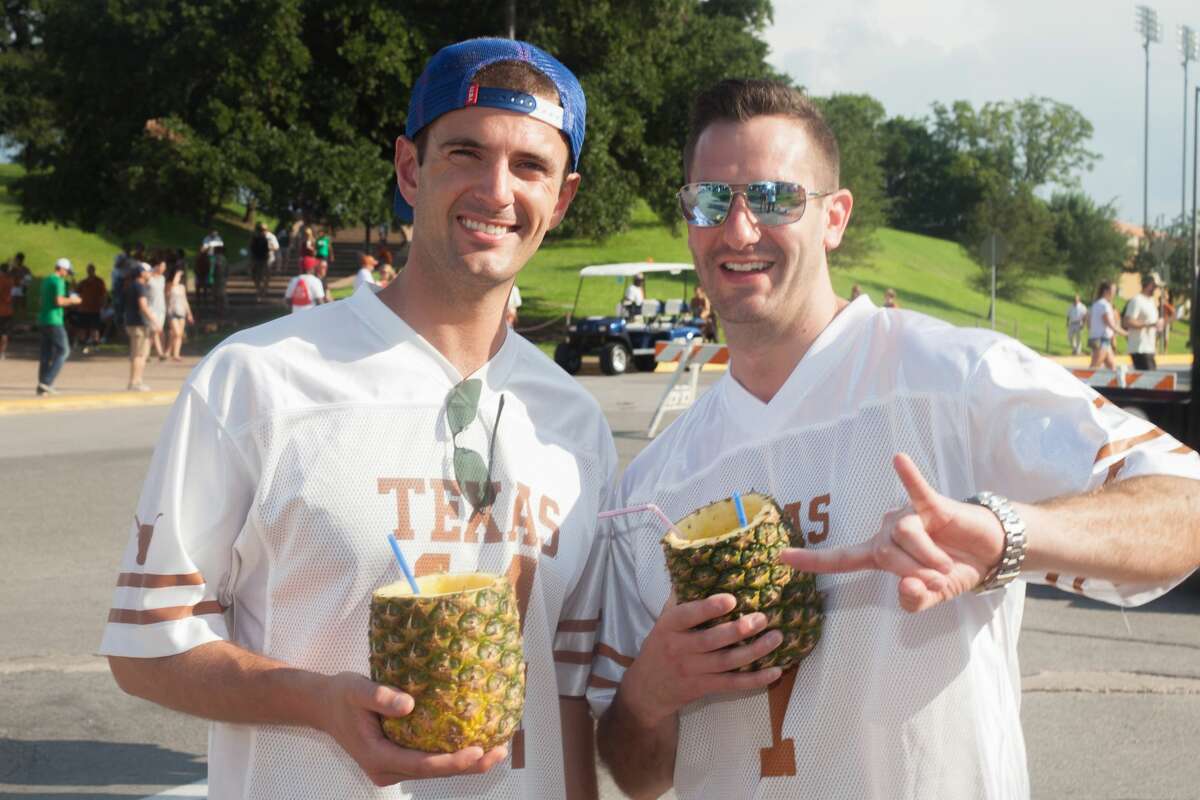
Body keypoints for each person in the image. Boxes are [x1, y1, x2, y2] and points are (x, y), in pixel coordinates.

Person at [589, 78, 1200, 800]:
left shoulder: (954, 377)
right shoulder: (651, 486)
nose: (740, 230)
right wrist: (649, 695)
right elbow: (638, 773)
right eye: (712, 201)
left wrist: (1007, 533)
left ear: (834, 217)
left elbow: (1184, 505)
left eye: (776, 198)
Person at [102, 39, 612, 799]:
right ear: (411, 169)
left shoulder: (574, 423)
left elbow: (564, 697)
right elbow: (147, 642)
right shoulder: (261, 378)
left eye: (530, 166)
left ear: (562, 199)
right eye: (465, 154)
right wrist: (314, 701)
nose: (496, 190)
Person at [36, 257, 82, 395]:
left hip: (43, 319)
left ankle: (41, 385)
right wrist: (74, 301)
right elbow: (59, 301)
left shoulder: (46, 280)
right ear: (61, 269)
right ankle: (47, 382)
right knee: (64, 351)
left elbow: (40, 300)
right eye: (67, 271)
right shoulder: (58, 281)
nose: (67, 274)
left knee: (46, 353)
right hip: (54, 320)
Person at [124, 262, 159, 391]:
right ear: (141, 273)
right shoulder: (140, 287)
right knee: (139, 354)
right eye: (148, 271)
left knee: (140, 354)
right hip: (139, 324)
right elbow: (143, 306)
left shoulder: (133, 286)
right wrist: (154, 320)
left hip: (133, 323)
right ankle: (134, 382)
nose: (150, 274)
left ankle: (137, 380)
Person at [1123, 274, 1163, 371]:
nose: (1157, 289)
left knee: (1150, 381)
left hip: (1149, 347)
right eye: (1155, 286)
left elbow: (1152, 323)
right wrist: (1150, 325)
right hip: (1140, 348)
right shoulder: (1136, 300)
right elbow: (1127, 321)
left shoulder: (1150, 301)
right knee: (1150, 381)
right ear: (1149, 285)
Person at [1088, 280, 1126, 369]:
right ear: (1105, 291)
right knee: (1093, 368)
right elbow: (1110, 324)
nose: (1114, 294)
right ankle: (1080, 383)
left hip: (1100, 339)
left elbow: (1089, 322)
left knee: (1112, 368)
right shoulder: (1104, 305)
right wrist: (1125, 333)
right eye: (1113, 291)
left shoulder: (1096, 304)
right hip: (1102, 340)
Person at [75, 263, 108, 354]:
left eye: (91, 269)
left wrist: (104, 304)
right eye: (88, 270)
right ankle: (82, 345)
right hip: (83, 308)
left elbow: (104, 294)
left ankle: (95, 345)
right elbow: (76, 291)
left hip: (95, 309)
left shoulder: (99, 281)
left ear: (94, 270)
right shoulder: (83, 282)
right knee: (83, 328)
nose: (90, 271)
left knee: (95, 329)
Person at [165, 265, 194, 362]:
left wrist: (189, 313)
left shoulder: (182, 287)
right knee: (176, 333)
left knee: (179, 334)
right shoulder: (169, 285)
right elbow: (171, 288)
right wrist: (177, 274)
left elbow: (184, 300)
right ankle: (169, 351)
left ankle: (175, 354)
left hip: (181, 311)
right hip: (172, 311)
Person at [146, 258, 168, 361]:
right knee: (155, 330)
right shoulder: (149, 278)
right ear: (157, 266)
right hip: (151, 308)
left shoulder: (163, 278)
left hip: (161, 308)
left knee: (153, 332)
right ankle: (160, 353)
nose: (164, 268)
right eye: (162, 266)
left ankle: (146, 353)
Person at [249, 222, 272, 302]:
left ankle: (260, 293)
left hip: (263, 261)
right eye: (261, 230)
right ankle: (260, 291)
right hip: (256, 260)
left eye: (264, 230)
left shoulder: (267, 238)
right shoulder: (255, 238)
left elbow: (268, 250)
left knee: (262, 277)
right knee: (254, 277)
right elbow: (251, 249)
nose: (263, 231)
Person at [0, 262, 13, 360]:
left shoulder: (2, 280)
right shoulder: (10, 280)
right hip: (7, 310)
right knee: (4, 332)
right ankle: (2, 352)